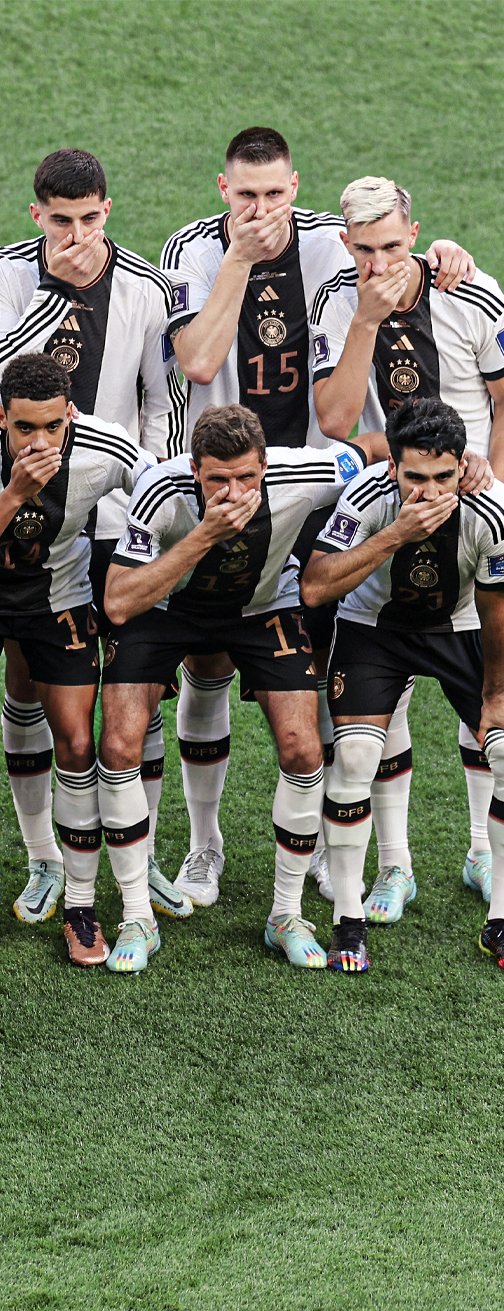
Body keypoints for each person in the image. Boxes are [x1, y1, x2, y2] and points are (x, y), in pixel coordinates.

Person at [160, 127, 474, 910]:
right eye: (245, 194)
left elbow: (392, 261)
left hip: (313, 489)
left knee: (348, 675)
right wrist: (238, 254)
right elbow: (197, 361)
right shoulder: (193, 250)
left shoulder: (334, 253)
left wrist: (444, 252)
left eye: (273, 194)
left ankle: (355, 860)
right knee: (207, 660)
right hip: (223, 482)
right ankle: (205, 849)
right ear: (222, 190)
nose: (260, 208)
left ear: (295, 188)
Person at [0, 148, 187, 923]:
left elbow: (163, 402)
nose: (76, 232)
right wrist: (54, 291)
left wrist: (154, 495)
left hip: (117, 509)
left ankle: (144, 850)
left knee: (138, 684)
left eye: (90, 218)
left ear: (108, 209)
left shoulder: (150, 286)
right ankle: (44, 859)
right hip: (29, 503)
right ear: (37, 215)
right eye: (60, 220)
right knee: (30, 677)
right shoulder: (1, 271)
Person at [99, 404, 389, 972]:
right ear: (194, 467)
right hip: (166, 606)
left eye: (246, 478)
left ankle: (286, 914)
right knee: (117, 747)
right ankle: (137, 915)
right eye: (217, 479)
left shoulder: (305, 472)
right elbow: (117, 600)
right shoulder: (162, 488)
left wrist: (470, 465)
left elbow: (374, 449)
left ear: (265, 464)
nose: (233, 491)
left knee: (305, 750)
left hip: (261, 607)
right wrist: (205, 533)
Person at [0, 353, 153, 971]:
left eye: (52, 426)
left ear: (70, 414)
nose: (40, 440)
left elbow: (164, 494)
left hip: (58, 597)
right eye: (25, 428)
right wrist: (17, 490)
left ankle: (79, 905)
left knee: (75, 743)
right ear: (1, 418)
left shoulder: (107, 449)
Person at [311, 176, 504, 911]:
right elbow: (333, 417)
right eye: (364, 249)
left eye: (392, 245)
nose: (380, 260)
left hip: (474, 503)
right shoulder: (337, 299)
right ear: (345, 243)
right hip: (383, 509)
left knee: (485, 682)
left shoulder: (471, 288)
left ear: (415, 233)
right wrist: (364, 317)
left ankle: (483, 853)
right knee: (376, 702)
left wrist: (492, 483)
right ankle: (393, 865)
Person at [300, 398, 504, 972]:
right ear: (392, 467)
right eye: (414, 477)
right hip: (376, 629)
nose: (431, 492)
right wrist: (394, 534)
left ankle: (501, 921)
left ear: (463, 466)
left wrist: (495, 694)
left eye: (444, 477)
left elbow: (497, 613)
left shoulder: (489, 508)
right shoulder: (366, 496)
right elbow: (316, 587)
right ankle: (348, 920)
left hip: (460, 628)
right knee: (357, 757)